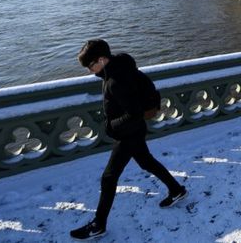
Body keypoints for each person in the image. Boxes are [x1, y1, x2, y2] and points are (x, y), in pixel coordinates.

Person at [70, 39, 187, 240]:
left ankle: (99, 224)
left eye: (90, 66)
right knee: (146, 162)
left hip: (129, 133)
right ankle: (176, 190)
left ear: (102, 59)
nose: (89, 71)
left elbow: (133, 113)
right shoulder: (120, 66)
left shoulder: (115, 81)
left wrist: (111, 126)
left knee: (109, 177)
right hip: (135, 130)